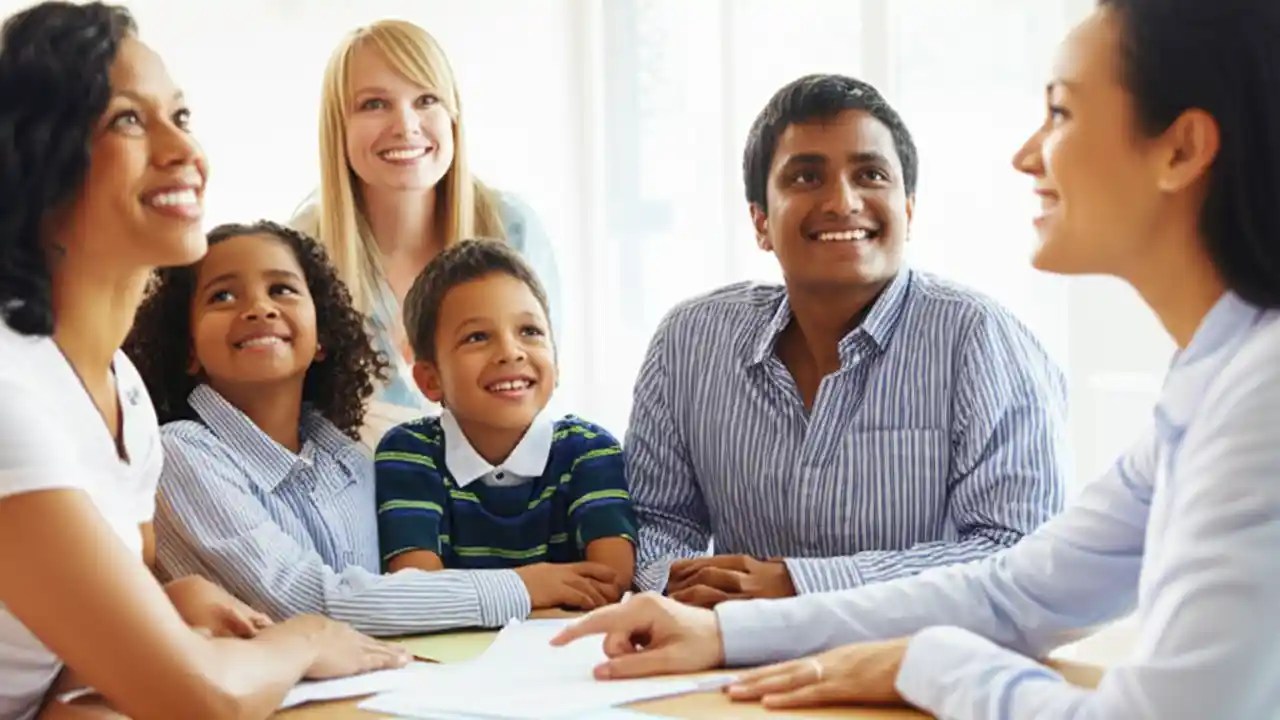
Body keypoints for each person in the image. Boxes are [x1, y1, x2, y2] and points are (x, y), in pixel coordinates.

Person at [553, 1, 1280, 717]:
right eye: (806, 177)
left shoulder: (1261, 396)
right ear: (759, 220)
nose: (1026, 154)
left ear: (1180, 149)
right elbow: (1016, 589)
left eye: (1060, 113)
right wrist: (723, 628)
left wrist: (923, 660)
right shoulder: (1213, 381)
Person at [0, 5, 406, 719]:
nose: (183, 150)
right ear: (36, 158)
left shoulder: (122, 397)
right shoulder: (10, 389)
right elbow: (201, 695)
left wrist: (169, 602)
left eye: (181, 117)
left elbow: (72, 660)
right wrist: (305, 640)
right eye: (129, 119)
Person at [627, 73, 1068, 605]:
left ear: (908, 210)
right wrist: (674, 579)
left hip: (917, 666)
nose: (842, 201)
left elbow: (1016, 552)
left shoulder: (982, 340)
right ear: (761, 222)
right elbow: (654, 521)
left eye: (871, 174)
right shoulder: (689, 342)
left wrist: (798, 585)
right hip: (727, 661)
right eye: (806, 177)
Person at [122, 221, 515, 636]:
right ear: (188, 350)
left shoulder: (352, 461)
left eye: (282, 289)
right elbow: (308, 605)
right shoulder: (181, 455)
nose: (259, 308)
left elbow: (400, 588)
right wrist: (519, 587)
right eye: (222, 296)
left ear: (321, 336)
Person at [292, 19, 561, 416]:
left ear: (453, 116)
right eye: (374, 104)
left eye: (426, 100)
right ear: (339, 127)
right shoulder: (300, 251)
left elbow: (541, 399)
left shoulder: (511, 229)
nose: (405, 126)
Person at [376, 239, 637, 608]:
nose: (511, 352)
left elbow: (611, 580)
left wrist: (478, 595)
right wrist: (532, 586)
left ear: (557, 362)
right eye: (477, 337)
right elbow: (418, 588)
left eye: (530, 331)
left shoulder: (590, 450)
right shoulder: (409, 454)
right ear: (430, 379)